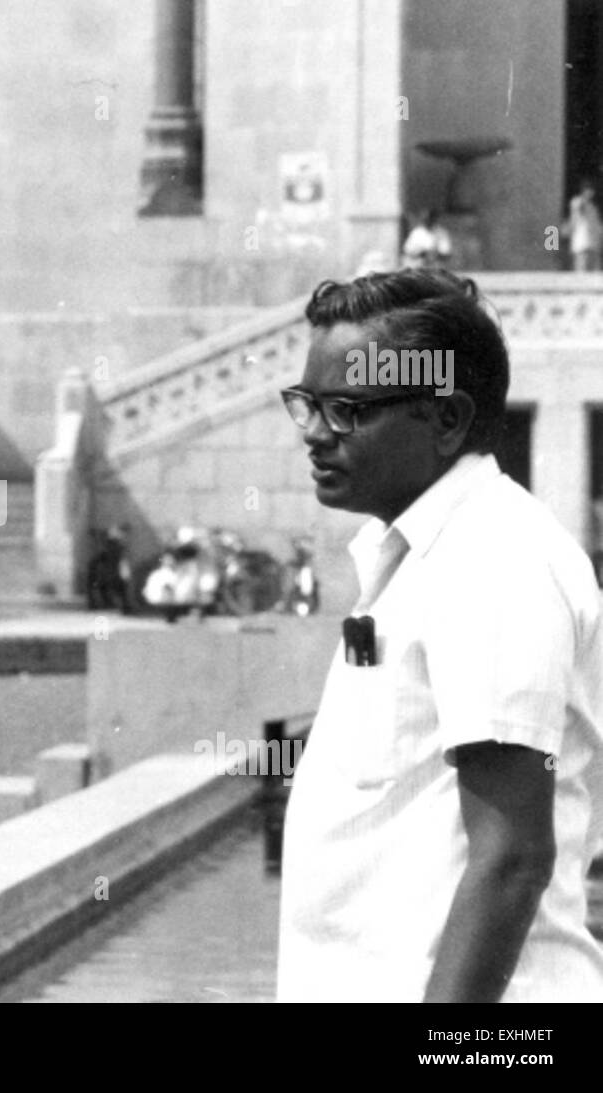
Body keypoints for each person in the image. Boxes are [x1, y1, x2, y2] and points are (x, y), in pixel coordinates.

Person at [276, 268, 603, 1002]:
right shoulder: (421, 558)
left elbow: (514, 855)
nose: (316, 434)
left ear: (446, 419)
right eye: (307, 404)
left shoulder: (493, 557)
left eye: (348, 409)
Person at [565, 178, 603, 272]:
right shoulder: (578, 202)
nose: (590, 192)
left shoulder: (593, 207)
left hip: (593, 244)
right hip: (582, 243)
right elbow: (576, 215)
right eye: (588, 189)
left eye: (591, 190)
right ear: (583, 190)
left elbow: (597, 225)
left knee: (594, 273)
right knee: (582, 272)